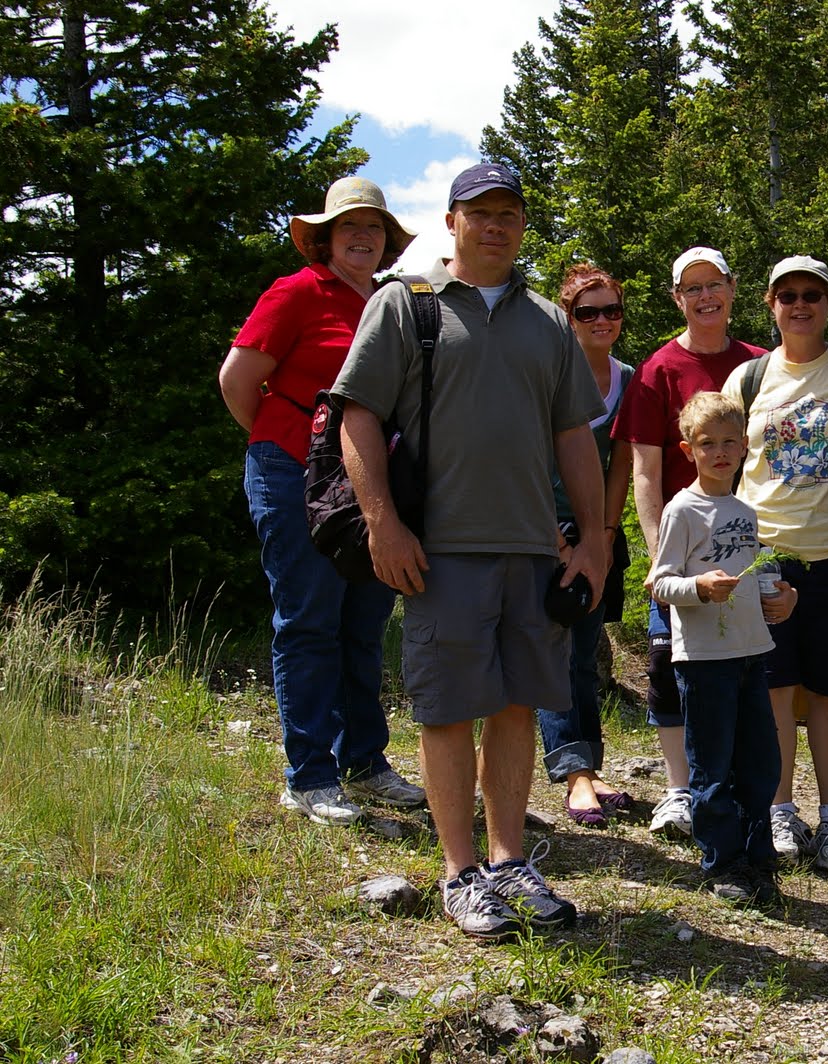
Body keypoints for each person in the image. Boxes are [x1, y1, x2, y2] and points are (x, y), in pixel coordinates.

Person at [333, 163, 607, 942]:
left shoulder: (549, 321)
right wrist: (382, 524)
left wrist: (593, 538)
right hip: (441, 550)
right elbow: (357, 418)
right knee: (448, 710)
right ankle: (460, 873)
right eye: (480, 213)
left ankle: (509, 859)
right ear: (451, 221)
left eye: (510, 213)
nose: (496, 226)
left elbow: (573, 439)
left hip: (533, 550)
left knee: (519, 704)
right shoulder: (405, 305)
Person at [219, 175, 426, 826]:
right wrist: (288, 443)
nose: (362, 237)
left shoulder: (395, 302)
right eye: (349, 227)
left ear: (387, 241)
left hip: (372, 480)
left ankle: (364, 763)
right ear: (326, 239)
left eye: (374, 228)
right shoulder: (296, 293)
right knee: (309, 621)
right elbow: (237, 379)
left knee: (363, 623)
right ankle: (308, 777)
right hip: (291, 470)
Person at [612, 246, 765, 837]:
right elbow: (645, 470)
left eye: (715, 285)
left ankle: (752, 793)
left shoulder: (757, 365)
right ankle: (679, 790)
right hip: (681, 544)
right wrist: (660, 552)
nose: (705, 297)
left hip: (743, 545)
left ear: (731, 288)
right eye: (692, 288)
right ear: (678, 298)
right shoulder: (658, 370)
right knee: (669, 662)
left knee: (748, 671)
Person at [720, 255, 828, 873]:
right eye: (787, 296)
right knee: (774, 691)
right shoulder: (748, 380)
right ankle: (780, 811)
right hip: (763, 558)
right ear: (770, 306)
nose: (800, 305)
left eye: (812, 294)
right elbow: (722, 466)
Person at [647, 391, 798, 908]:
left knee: (761, 760)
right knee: (712, 764)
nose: (719, 452)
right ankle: (722, 862)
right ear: (688, 449)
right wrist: (699, 587)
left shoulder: (743, 510)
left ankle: (759, 858)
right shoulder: (682, 510)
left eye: (729, 442)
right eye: (707, 443)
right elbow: (659, 583)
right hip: (703, 659)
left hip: (751, 652)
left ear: (745, 446)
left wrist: (783, 596)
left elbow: (755, 573)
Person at [540, 264, 637, 826]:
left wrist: (601, 538)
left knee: (583, 651)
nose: (602, 320)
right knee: (556, 649)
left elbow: (623, 464)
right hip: (546, 529)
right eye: (587, 311)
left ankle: (588, 769)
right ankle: (573, 775)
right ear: (568, 319)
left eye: (611, 310)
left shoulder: (629, 378)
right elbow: (528, 459)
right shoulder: (549, 374)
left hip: (597, 531)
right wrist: (556, 543)